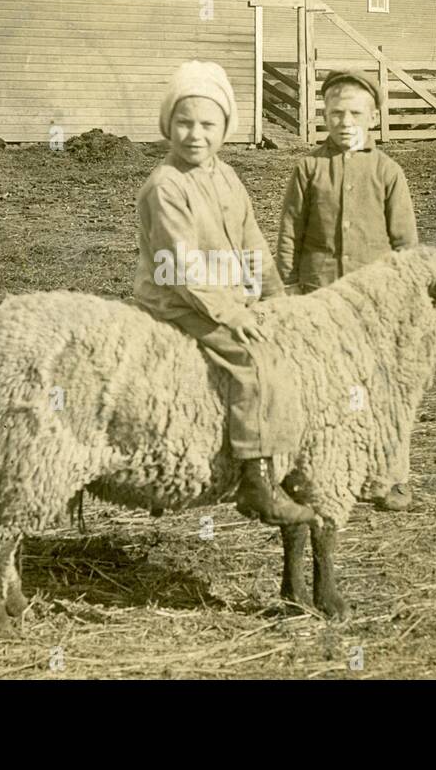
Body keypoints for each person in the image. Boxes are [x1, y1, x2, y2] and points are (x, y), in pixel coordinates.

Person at [134, 61, 313, 526]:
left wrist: (276, 298)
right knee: (251, 360)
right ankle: (255, 477)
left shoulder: (227, 177)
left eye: (208, 124)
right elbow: (182, 266)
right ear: (167, 124)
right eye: (184, 122)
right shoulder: (166, 186)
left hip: (229, 292)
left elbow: (251, 242)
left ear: (225, 128)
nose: (195, 134)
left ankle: (291, 452)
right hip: (179, 299)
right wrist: (231, 313)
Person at [275, 70, 419, 510]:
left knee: (380, 388)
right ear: (324, 116)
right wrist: (283, 289)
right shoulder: (309, 168)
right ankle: (313, 474)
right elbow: (288, 235)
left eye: (355, 113)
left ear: (373, 118)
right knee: (318, 389)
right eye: (335, 113)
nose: (344, 122)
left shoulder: (387, 172)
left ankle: (389, 476)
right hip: (319, 299)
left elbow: (406, 245)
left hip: (373, 307)